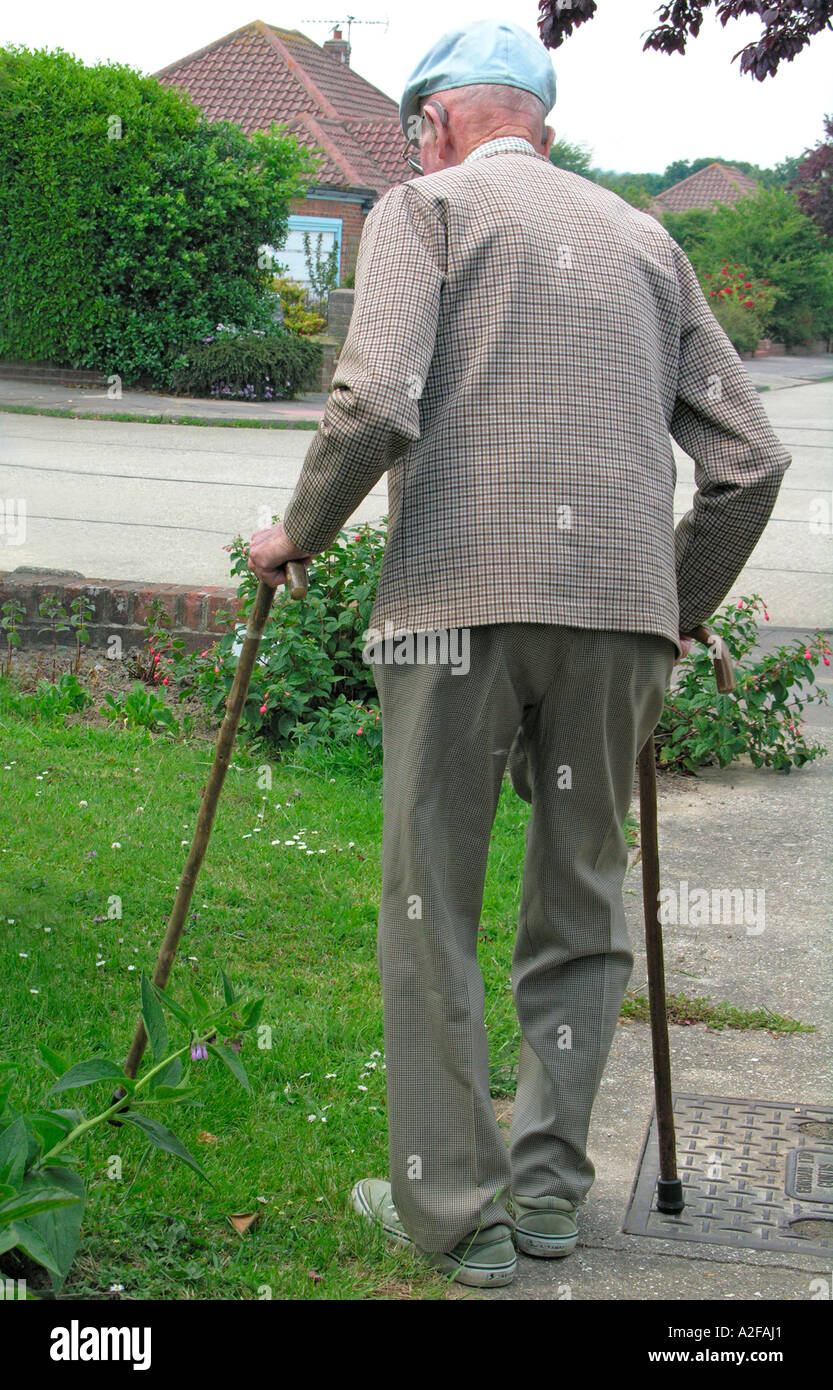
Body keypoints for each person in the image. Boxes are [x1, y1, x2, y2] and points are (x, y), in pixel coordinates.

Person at [247, 19, 791, 1288]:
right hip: (615, 612)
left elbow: (374, 398)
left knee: (429, 898)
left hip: (451, 599)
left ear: (432, 122)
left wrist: (298, 528)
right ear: (535, 124)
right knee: (580, 901)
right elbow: (749, 459)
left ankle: (455, 1215)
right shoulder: (647, 239)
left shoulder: (421, 208)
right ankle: (548, 1200)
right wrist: (677, 597)